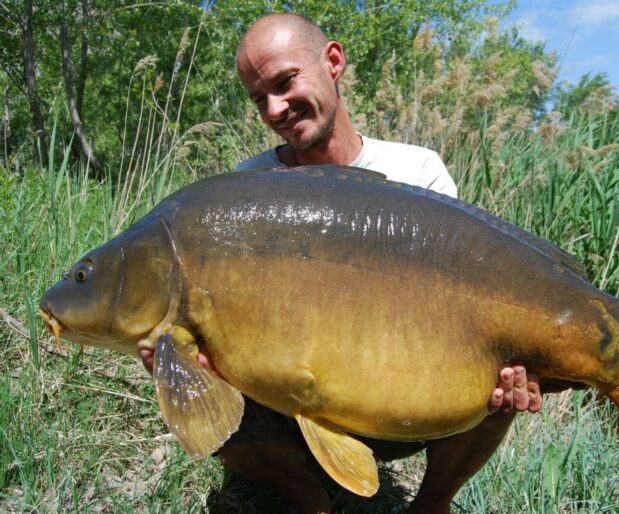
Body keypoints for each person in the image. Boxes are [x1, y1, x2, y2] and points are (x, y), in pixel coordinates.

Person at [143, 13, 543, 514]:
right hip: (285, 407)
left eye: (285, 82)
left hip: (400, 397)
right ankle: (307, 496)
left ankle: (433, 502)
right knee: (174, 365)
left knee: (501, 374)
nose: (274, 108)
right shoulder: (247, 190)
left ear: (332, 62)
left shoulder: (417, 171)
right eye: (258, 97)